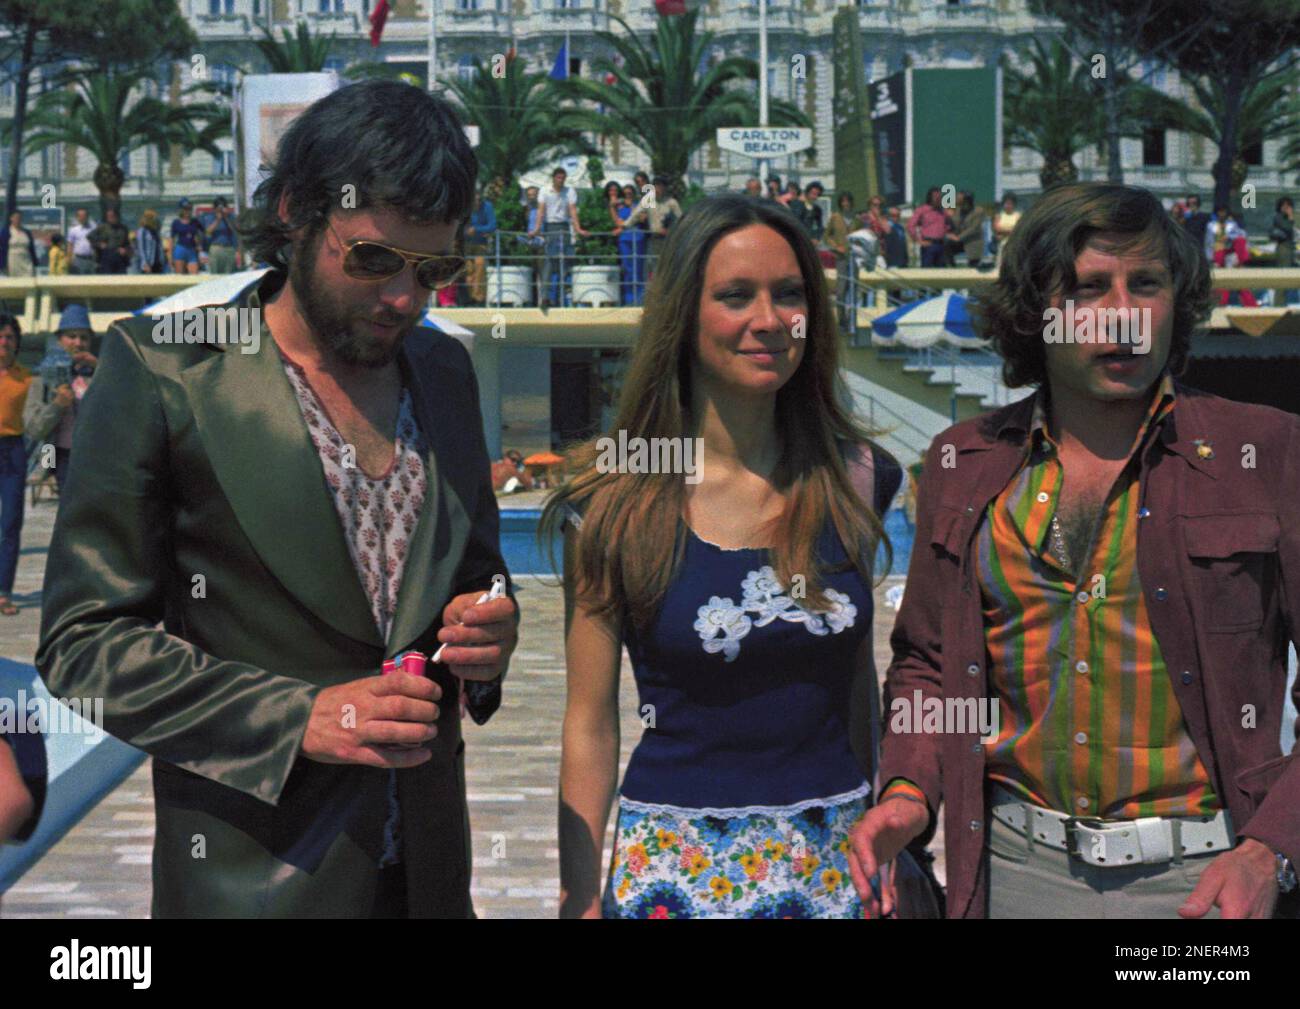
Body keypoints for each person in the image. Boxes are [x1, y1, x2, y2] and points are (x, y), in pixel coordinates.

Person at [35, 80, 519, 918]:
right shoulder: (167, 371)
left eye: (432, 269)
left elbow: (477, 574)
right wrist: (298, 716)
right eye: (371, 258)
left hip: (429, 885)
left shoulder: (442, 372)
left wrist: (489, 634)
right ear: (295, 210)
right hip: (251, 883)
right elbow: (82, 646)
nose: (403, 297)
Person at [850, 182, 1300, 920]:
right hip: (1009, 874)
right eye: (1090, 288)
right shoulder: (964, 463)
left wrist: (1270, 850)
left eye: (1146, 284)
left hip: (1208, 885)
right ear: (1038, 313)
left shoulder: (1266, 451)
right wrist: (905, 793)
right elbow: (929, 665)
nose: (1122, 313)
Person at [546, 193, 900, 919]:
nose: (768, 320)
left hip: (831, 870)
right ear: (683, 315)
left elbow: (857, 685)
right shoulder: (613, 499)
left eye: (790, 295)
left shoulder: (856, 478)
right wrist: (579, 895)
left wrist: (879, 843)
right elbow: (589, 721)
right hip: (674, 875)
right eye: (735, 296)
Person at [24, 304, 96, 493]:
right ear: (59, 340)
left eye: (83, 337)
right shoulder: (42, 378)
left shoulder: (99, 372)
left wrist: (102, 369)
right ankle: (44, 474)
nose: (78, 343)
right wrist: (56, 406)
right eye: (71, 336)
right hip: (54, 453)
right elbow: (33, 429)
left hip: (93, 454)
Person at [0, 314, 31, 616]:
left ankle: (3, 592)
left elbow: (39, 418)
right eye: (0, 336)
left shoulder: (27, 378)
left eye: (9, 337)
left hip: (12, 450)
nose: (4, 342)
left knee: (10, 524)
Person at [529, 167, 589, 310]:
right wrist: (537, 229)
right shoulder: (544, 191)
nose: (561, 180)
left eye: (563, 178)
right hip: (551, 227)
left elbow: (573, 211)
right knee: (549, 262)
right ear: (553, 178)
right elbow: (541, 211)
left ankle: (563, 298)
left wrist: (578, 228)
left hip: (564, 227)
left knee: (565, 262)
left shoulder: (569, 191)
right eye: (558, 178)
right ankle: (545, 298)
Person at [626, 175, 683, 278]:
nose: (658, 189)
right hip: (654, 239)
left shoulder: (671, 202)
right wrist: (624, 226)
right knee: (654, 267)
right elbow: (635, 214)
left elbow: (681, 220)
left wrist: (671, 230)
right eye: (656, 186)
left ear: (665, 188)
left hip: (668, 239)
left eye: (660, 186)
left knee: (668, 266)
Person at [1205, 206, 1258, 307]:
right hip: (1218, 257)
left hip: (1231, 257)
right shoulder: (1211, 225)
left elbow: (1241, 237)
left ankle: (1251, 307)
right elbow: (1208, 242)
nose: (1222, 214)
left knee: (1240, 284)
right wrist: (1210, 259)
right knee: (1222, 285)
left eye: (1223, 211)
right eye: (1220, 211)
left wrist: (1229, 237)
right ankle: (1219, 306)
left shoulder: (1233, 225)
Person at [824, 191, 857, 332]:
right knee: (841, 290)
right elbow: (826, 236)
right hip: (841, 257)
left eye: (848, 201)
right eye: (843, 201)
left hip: (855, 257)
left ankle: (852, 320)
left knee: (854, 289)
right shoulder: (835, 218)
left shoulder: (857, 218)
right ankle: (842, 320)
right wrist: (836, 247)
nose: (846, 204)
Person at [613, 183, 648, 306]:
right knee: (627, 269)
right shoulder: (619, 207)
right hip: (625, 239)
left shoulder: (639, 205)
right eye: (625, 194)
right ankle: (628, 299)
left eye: (630, 193)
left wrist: (633, 208)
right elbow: (618, 222)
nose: (628, 195)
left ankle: (639, 300)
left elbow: (643, 218)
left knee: (638, 269)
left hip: (638, 238)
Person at [463, 190, 496, 306]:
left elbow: (492, 226)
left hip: (481, 243)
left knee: (480, 266)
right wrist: (466, 231)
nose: (476, 203)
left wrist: (476, 229)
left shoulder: (487, 207)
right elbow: (460, 225)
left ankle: (479, 298)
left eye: (478, 200)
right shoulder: (465, 207)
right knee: (468, 271)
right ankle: (471, 297)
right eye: (474, 201)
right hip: (466, 243)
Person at [907, 186, 950, 268]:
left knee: (942, 273)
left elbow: (947, 225)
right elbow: (910, 226)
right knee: (927, 272)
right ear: (930, 198)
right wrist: (918, 240)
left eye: (939, 197)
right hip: (928, 245)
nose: (938, 199)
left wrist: (946, 233)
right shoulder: (922, 210)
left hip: (941, 245)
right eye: (935, 197)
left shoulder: (943, 211)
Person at [947, 191, 990, 268]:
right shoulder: (957, 211)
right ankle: (952, 268)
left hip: (973, 241)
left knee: (973, 266)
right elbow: (955, 226)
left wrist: (958, 238)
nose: (956, 199)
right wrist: (949, 217)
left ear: (966, 200)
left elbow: (974, 228)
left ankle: (974, 266)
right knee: (946, 245)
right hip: (960, 242)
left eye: (958, 198)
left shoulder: (978, 211)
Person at [1270, 196, 1295, 306]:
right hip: (1284, 249)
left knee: (1287, 277)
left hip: (1290, 248)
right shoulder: (1279, 218)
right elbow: (1288, 228)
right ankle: (1278, 303)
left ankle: (1282, 302)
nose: (1286, 207)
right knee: (1282, 277)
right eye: (1283, 205)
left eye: (1288, 205)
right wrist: (1290, 217)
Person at [90, 206, 131, 274]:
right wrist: (99, 244)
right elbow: (90, 237)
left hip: (120, 258)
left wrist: (125, 249)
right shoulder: (103, 227)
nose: (109, 218)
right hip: (106, 258)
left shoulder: (123, 228)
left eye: (111, 216)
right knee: (107, 280)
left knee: (121, 281)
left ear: (117, 216)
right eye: (108, 216)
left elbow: (127, 243)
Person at [204, 196, 239, 274]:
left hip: (229, 248)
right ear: (215, 208)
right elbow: (208, 231)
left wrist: (226, 217)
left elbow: (234, 230)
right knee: (215, 274)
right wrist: (218, 219)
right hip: (216, 248)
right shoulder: (210, 217)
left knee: (229, 274)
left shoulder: (231, 216)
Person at [169, 198, 204, 275]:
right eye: (185, 209)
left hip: (192, 250)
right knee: (180, 276)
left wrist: (200, 247)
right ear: (181, 210)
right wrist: (170, 256)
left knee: (194, 276)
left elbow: (203, 233)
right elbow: (172, 239)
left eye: (189, 209)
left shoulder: (195, 222)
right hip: (180, 249)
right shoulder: (176, 223)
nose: (187, 211)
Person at [0, 210, 37, 278]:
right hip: (12, 260)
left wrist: (35, 262)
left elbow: (31, 248)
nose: (18, 220)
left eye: (19, 218)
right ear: (11, 218)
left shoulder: (26, 232)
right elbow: (2, 249)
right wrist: (3, 265)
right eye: (16, 218)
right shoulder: (6, 232)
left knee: (29, 277)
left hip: (26, 259)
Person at [131, 209, 165, 274]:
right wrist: (145, 263)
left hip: (157, 263)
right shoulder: (142, 231)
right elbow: (141, 249)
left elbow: (159, 247)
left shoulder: (155, 232)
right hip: (148, 263)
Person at [992, 192, 1021, 268]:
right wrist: (1010, 230)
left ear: (1014, 205)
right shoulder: (999, 216)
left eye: (1010, 204)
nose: (1008, 206)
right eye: (1006, 204)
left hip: (1014, 245)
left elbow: (1018, 230)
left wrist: (1003, 231)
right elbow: (997, 229)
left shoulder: (1018, 216)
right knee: (1000, 266)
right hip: (1002, 244)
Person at [66, 207, 97, 275]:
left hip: (91, 259)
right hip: (78, 259)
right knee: (78, 281)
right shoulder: (73, 230)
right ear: (77, 217)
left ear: (87, 216)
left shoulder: (94, 228)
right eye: (80, 216)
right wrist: (69, 259)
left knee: (90, 281)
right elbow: (70, 245)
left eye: (84, 215)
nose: (82, 217)